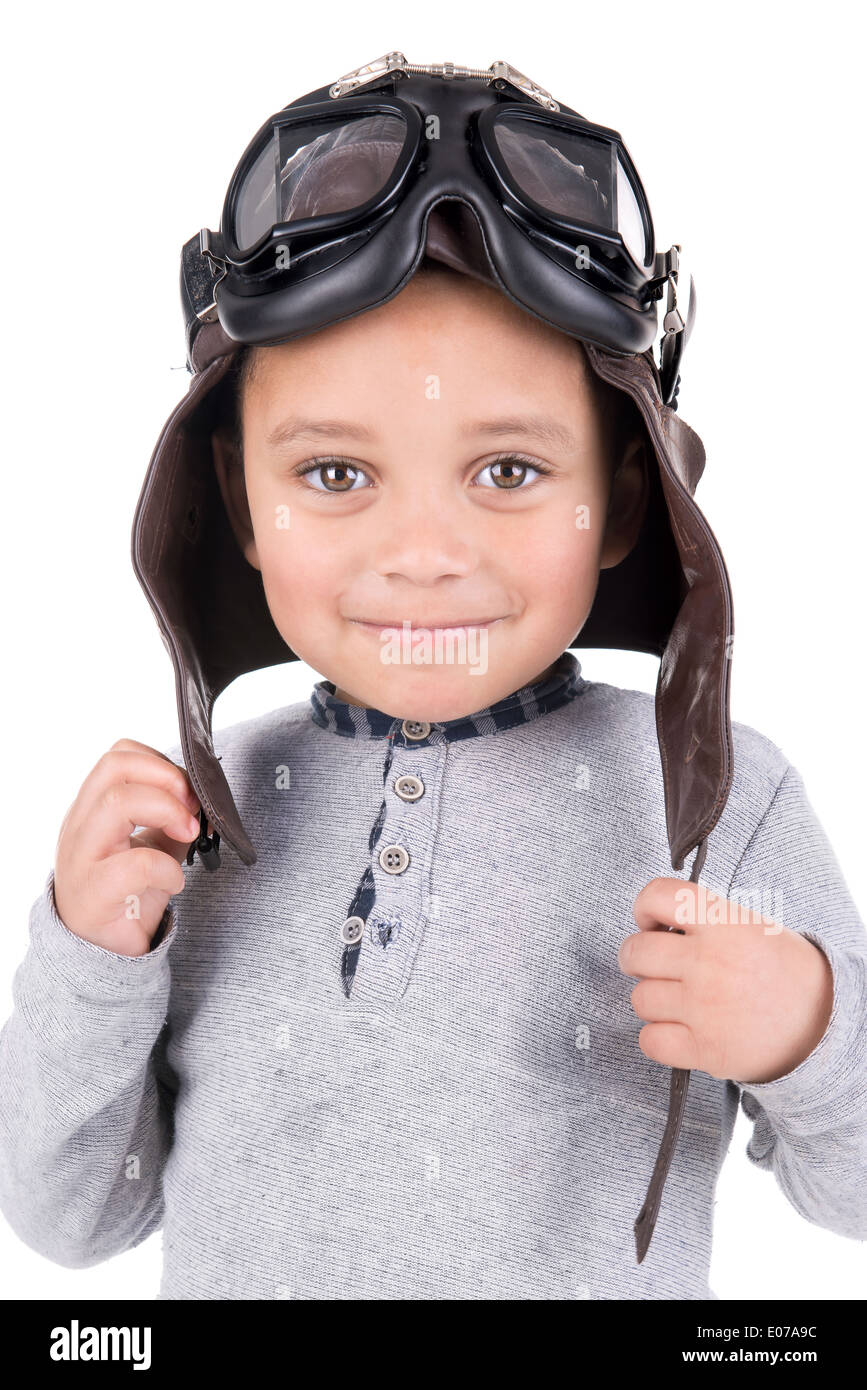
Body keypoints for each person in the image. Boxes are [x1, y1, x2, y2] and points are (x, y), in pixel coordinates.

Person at [0, 54, 864, 1300]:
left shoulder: (716, 808)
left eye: (508, 470)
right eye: (336, 474)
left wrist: (807, 1030)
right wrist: (89, 954)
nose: (422, 557)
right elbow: (72, 1221)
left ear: (623, 501)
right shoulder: (197, 821)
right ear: (238, 503)